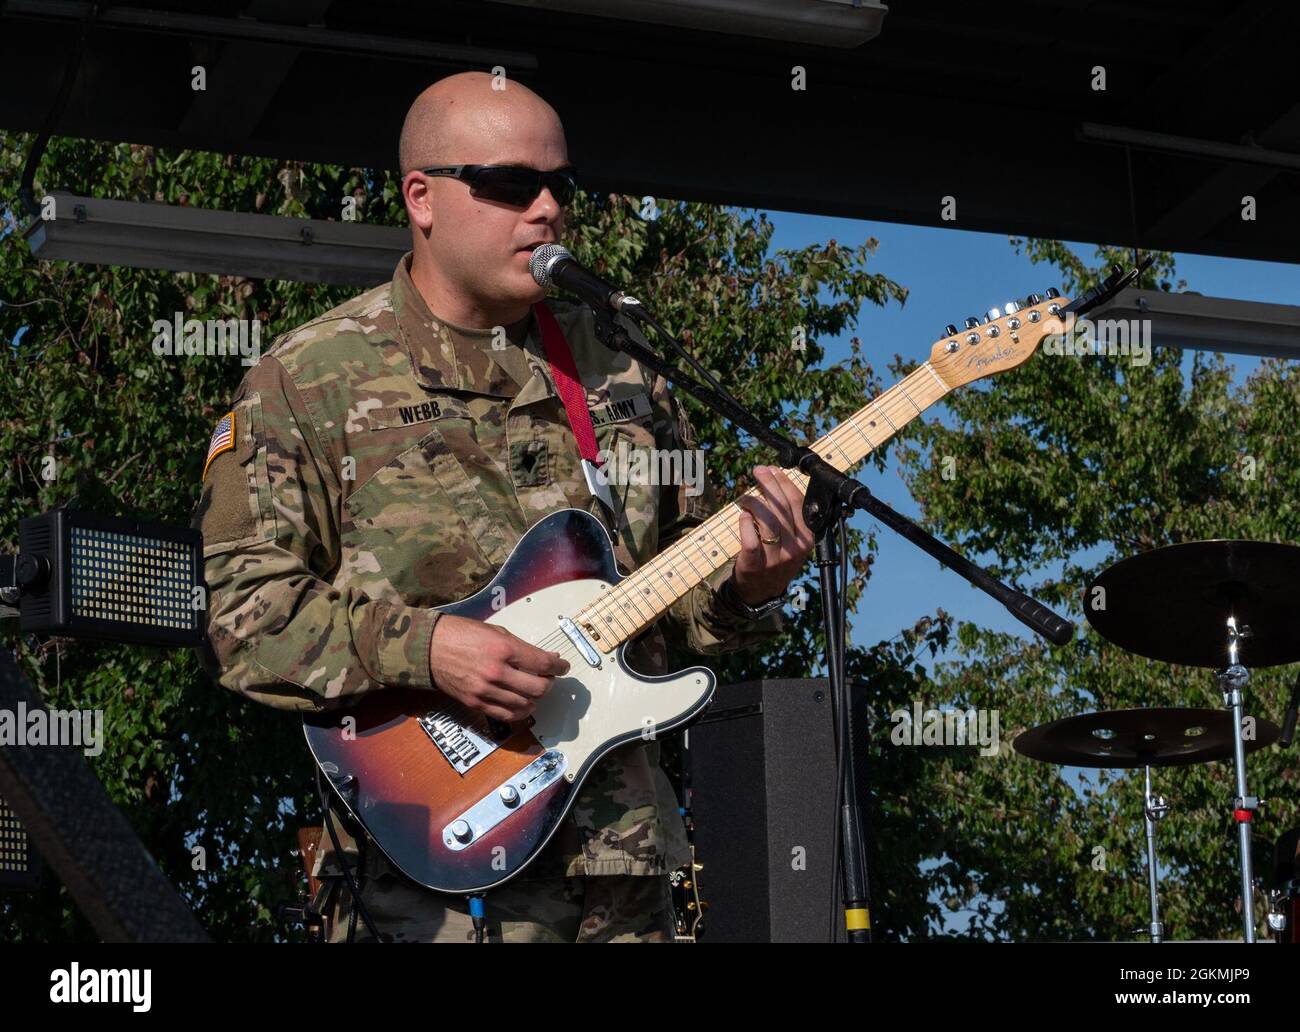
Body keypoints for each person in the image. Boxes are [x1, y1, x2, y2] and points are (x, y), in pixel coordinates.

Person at [192, 71, 814, 942]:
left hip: (627, 875)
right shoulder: (306, 380)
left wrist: (750, 586)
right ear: (422, 198)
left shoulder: (620, 367)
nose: (547, 208)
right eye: (512, 184)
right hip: (429, 889)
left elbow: (677, 609)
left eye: (562, 185)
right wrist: (428, 648)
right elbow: (245, 621)